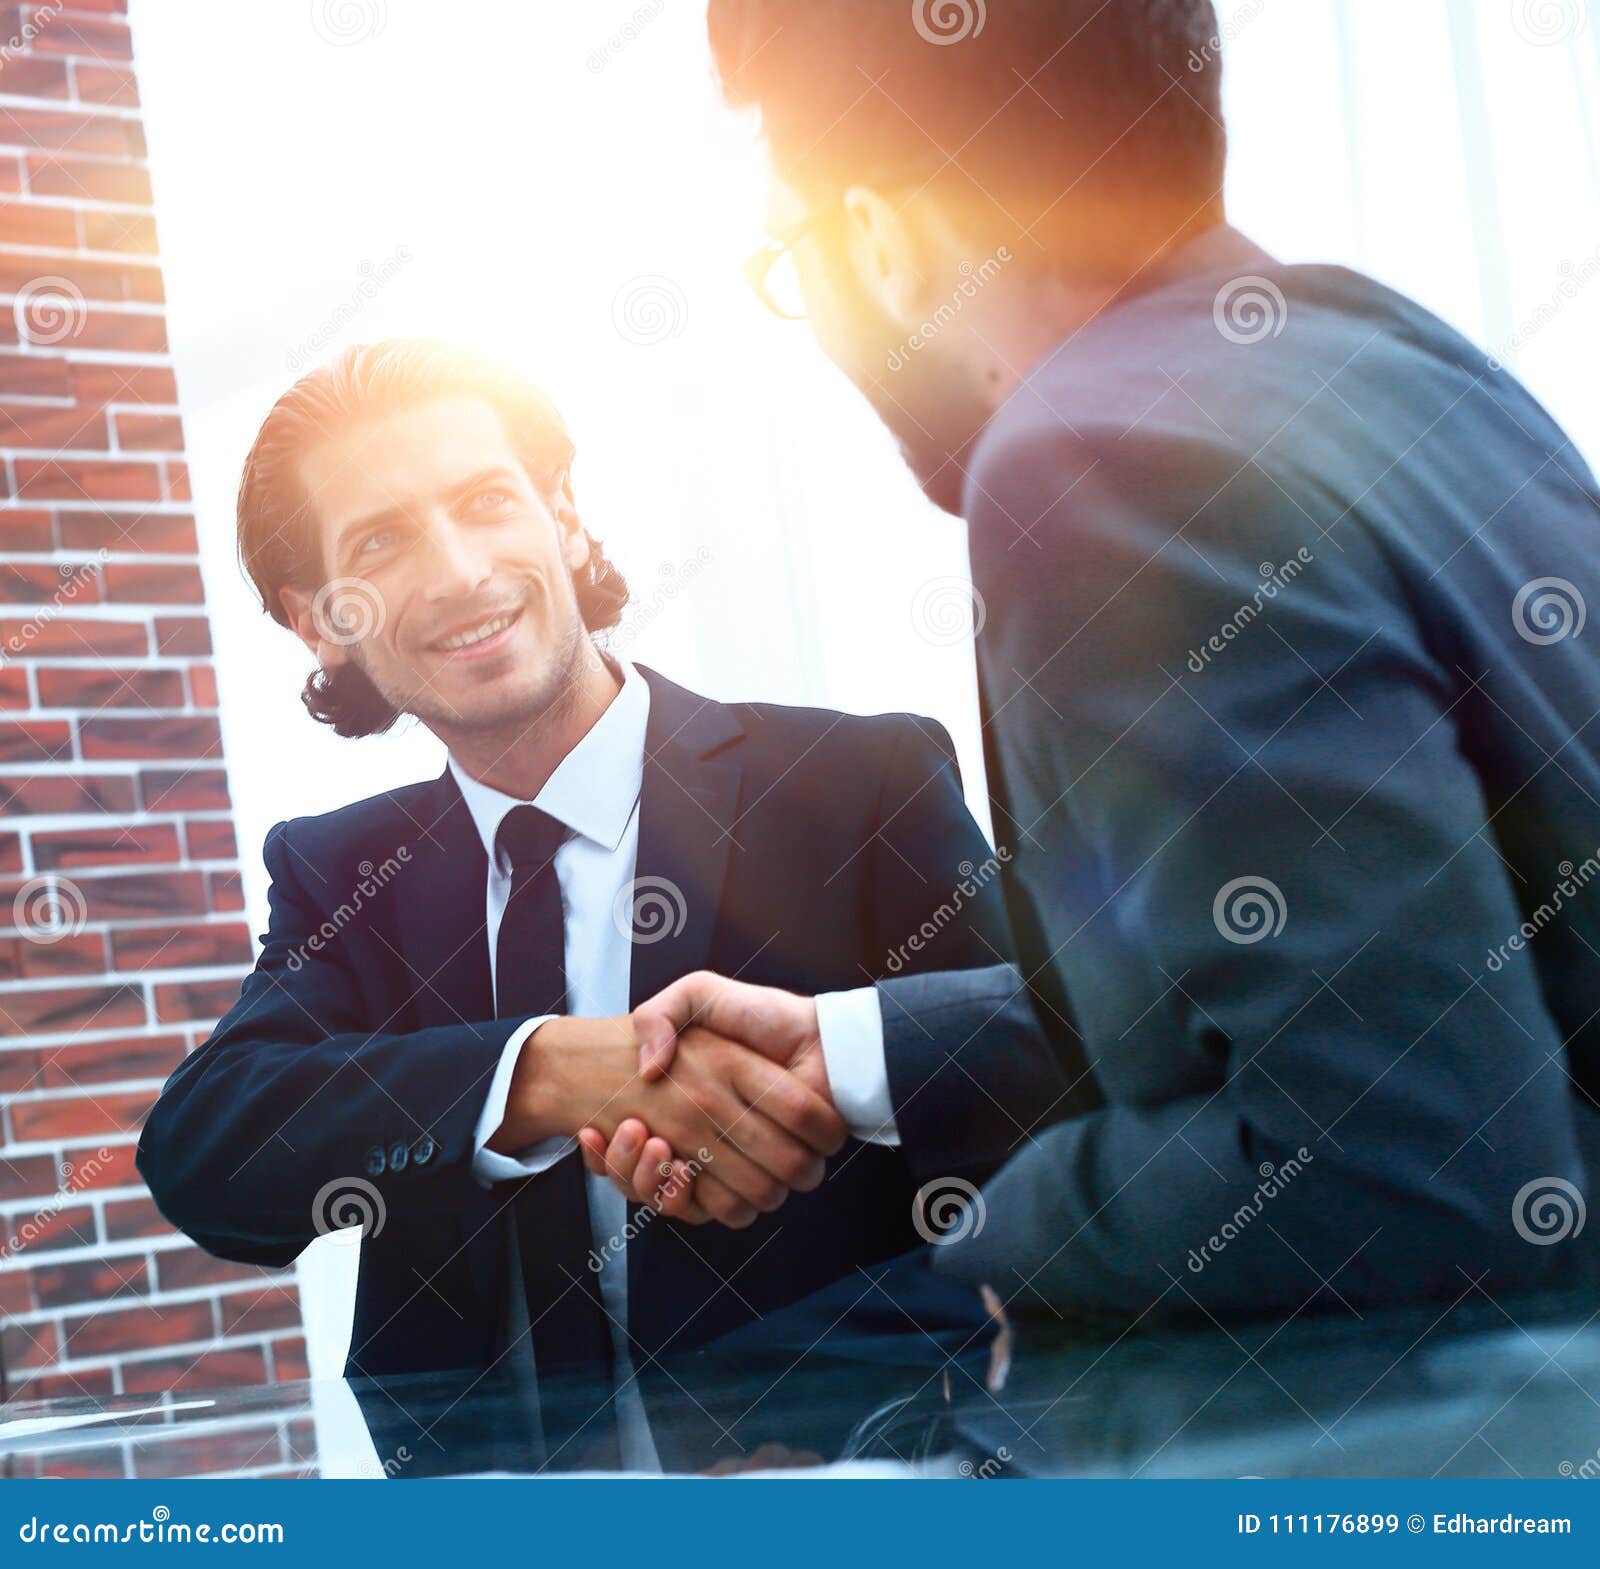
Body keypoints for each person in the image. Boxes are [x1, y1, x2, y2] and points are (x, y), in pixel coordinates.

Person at [588, 0, 1600, 1322]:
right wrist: (857, 1054)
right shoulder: (1393, 354)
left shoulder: (1095, 460)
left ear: (886, 243)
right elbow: (1372, 966)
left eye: (796, 258)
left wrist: (998, 1232)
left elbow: (1407, 1174)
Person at [134, 339, 1065, 1468]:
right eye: (379, 540)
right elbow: (210, 1151)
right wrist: (545, 1072)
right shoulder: (343, 874)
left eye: (486, 502)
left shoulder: (852, 785)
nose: (459, 571)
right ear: (314, 618)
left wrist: (890, 1452)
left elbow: (1051, 1097)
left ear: (563, 517)